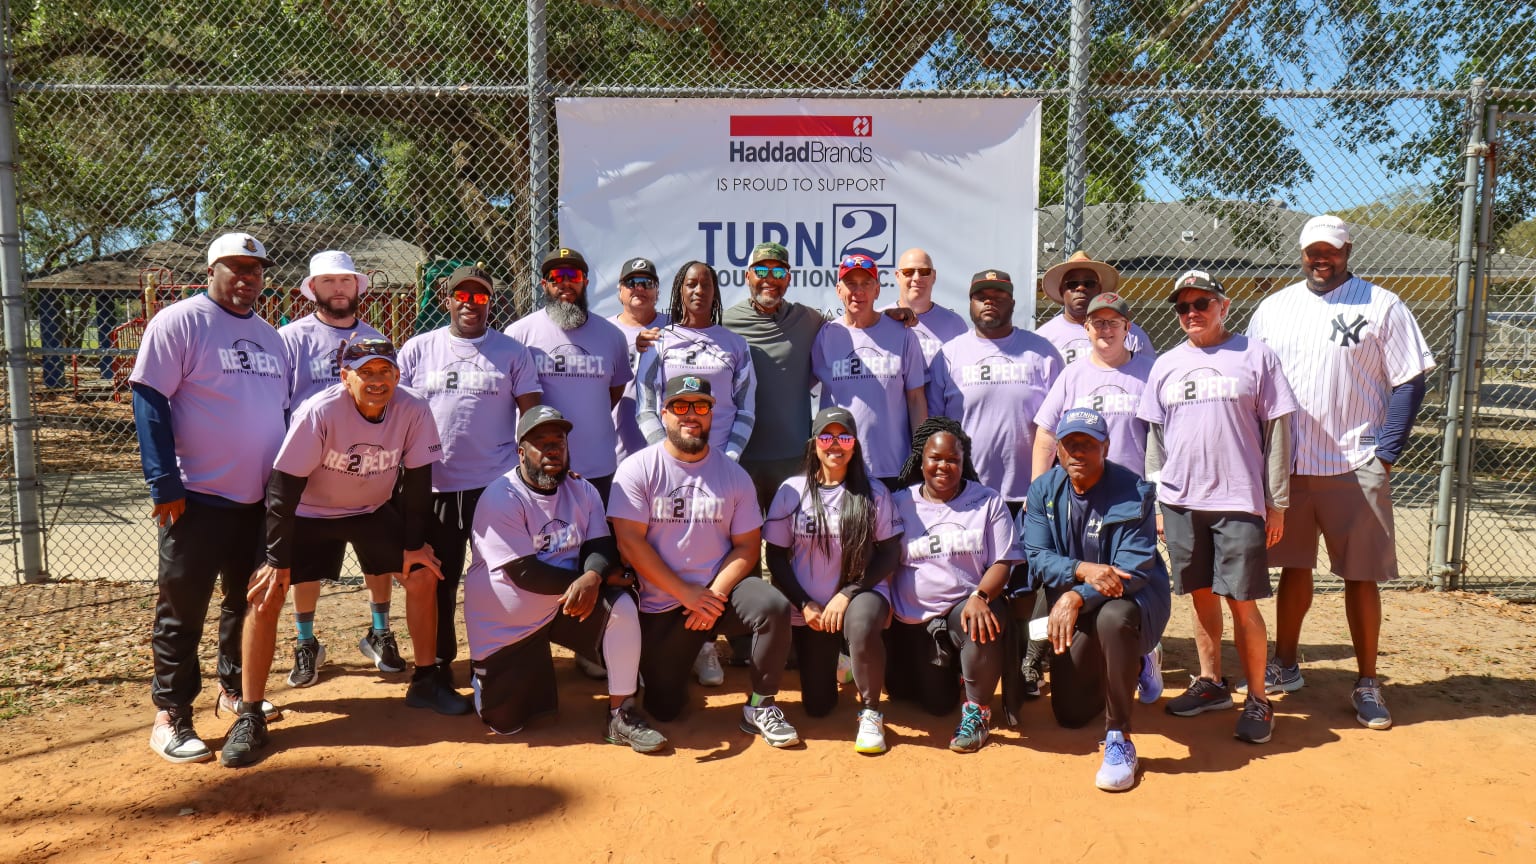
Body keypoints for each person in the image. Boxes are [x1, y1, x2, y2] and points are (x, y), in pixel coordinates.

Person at [221, 337, 468, 767]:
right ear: (345, 377)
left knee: (424, 573)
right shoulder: (320, 411)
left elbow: (417, 483)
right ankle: (250, 713)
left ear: (397, 375)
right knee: (265, 593)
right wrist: (278, 561)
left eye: (385, 372)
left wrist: (413, 546)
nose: (377, 381)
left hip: (369, 510)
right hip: (307, 512)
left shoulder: (413, 409)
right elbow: (282, 490)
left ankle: (426, 681)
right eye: (366, 373)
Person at [1247, 214, 1435, 730]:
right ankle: (1285, 664)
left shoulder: (1381, 304)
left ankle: (1368, 680)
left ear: (1348, 250)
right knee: (1293, 566)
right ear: (1301, 252)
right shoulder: (1274, 308)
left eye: (1330, 250)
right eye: (1312, 250)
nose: (1320, 258)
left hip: (1356, 460)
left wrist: (1387, 452)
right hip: (1290, 465)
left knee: (1361, 573)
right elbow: (1254, 380)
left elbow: (1410, 378)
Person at [131, 232, 289, 764]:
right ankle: (171, 714)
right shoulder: (179, 321)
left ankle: (233, 691)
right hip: (195, 495)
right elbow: (149, 397)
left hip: (257, 499)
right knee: (182, 608)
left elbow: (280, 415)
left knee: (245, 602)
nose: (246, 278)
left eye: (255, 269)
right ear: (212, 270)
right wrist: (163, 482)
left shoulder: (272, 337)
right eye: (235, 268)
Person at [1138, 270, 1298, 744]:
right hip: (1183, 502)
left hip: (1238, 500)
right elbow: (1155, 443)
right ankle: (1211, 684)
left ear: (1223, 306)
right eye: (1183, 306)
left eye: (1201, 303)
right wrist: (1162, 503)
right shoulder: (1166, 364)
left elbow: (1278, 434)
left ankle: (1258, 700)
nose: (1192, 313)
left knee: (1241, 601)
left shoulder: (1255, 355)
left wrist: (1278, 503)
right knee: (1201, 594)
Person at [608, 375, 802, 748]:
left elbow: (748, 546)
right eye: (680, 406)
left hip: (717, 594)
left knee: (773, 606)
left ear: (713, 414)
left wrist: (712, 594)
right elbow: (629, 543)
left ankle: (761, 705)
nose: (691, 415)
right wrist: (686, 593)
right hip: (663, 601)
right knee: (666, 708)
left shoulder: (733, 475)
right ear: (663, 413)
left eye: (701, 407)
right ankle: (678, 660)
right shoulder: (638, 469)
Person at [463, 405, 667, 752]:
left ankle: (622, 713)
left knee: (622, 605)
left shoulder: (582, 490)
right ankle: (485, 676)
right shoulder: (501, 496)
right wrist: (591, 580)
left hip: (565, 607)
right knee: (509, 724)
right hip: (510, 627)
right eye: (541, 442)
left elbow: (600, 542)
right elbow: (523, 573)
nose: (552, 449)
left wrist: (592, 575)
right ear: (521, 451)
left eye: (558, 441)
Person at [398, 265, 542, 687]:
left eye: (479, 297)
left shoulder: (511, 352)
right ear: (446, 300)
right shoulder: (418, 349)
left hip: (493, 485)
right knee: (437, 577)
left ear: (489, 303)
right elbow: (399, 413)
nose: (469, 303)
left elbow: (531, 414)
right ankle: (440, 662)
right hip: (434, 484)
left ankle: (503, 655)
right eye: (461, 295)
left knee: (502, 575)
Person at [1021, 408, 1171, 792]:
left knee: (1113, 620)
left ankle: (1120, 737)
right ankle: (1128, 663)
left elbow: (1133, 571)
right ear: (1058, 449)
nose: (1078, 453)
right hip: (1083, 596)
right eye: (1070, 444)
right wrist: (1083, 573)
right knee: (1070, 713)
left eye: (1088, 444)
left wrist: (1074, 594)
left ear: (1105, 446)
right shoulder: (1043, 490)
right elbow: (1037, 557)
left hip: (1133, 599)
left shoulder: (1133, 489)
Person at [277, 250, 401, 687]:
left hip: (367, 467)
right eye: (328, 282)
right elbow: (281, 403)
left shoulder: (374, 337)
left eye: (345, 281)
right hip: (313, 472)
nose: (338, 289)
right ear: (313, 289)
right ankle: (306, 641)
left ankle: (380, 632)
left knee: (378, 559)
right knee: (307, 565)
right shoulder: (291, 338)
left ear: (356, 288)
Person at [763, 407, 903, 754]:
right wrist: (804, 603)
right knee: (819, 706)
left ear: (855, 445)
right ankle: (847, 662)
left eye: (844, 437)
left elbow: (889, 553)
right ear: (814, 445)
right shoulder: (791, 491)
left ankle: (870, 711)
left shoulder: (874, 493)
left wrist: (848, 593)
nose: (835, 444)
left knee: (860, 620)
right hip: (812, 609)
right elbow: (776, 557)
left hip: (861, 594)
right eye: (826, 436)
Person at [886, 417, 1020, 753]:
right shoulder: (899, 502)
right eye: (936, 458)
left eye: (953, 459)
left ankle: (977, 712)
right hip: (915, 623)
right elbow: (885, 561)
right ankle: (957, 671)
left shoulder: (987, 501)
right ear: (921, 460)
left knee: (983, 616)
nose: (944, 466)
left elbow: (1002, 562)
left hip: (965, 608)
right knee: (934, 704)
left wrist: (980, 595)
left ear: (964, 462)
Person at [926, 269, 1062, 511]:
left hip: (1031, 495)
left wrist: (1043, 485)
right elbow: (934, 427)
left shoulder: (1043, 353)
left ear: (1012, 303)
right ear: (970, 304)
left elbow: (1060, 424)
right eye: (981, 297)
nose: (989, 301)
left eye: (999, 296)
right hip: (964, 492)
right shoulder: (948, 355)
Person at [506, 247, 633, 502]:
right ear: (544, 284)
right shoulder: (519, 334)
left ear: (585, 282)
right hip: (540, 466)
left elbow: (613, 391)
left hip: (598, 465)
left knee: (597, 540)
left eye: (573, 276)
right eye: (556, 276)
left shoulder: (612, 336)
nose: (565, 283)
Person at [812, 254, 928, 489]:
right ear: (838, 290)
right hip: (840, 464)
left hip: (895, 467)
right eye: (851, 284)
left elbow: (916, 399)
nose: (858, 291)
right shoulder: (826, 335)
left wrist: (920, 454)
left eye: (866, 284)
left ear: (877, 290)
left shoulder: (903, 334)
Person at [635, 261, 756, 460]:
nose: (699, 290)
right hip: (671, 461)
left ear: (715, 292)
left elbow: (746, 410)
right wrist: (667, 456)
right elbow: (645, 410)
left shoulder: (737, 345)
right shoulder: (658, 342)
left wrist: (730, 458)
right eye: (691, 284)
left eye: (706, 285)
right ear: (680, 291)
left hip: (720, 460)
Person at [1033, 292, 1156, 482]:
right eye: (1098, 322)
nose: (1106, 329)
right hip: (1081, 491)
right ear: (1087, 328)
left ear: (1127, 328)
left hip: (1134, 489)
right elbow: (1046, 434)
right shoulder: (1072, 374)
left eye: (1114, 322)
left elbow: (1163, 439)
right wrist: (1036, 491)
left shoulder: (1151, 372)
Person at [1037, 251, 1153, 364]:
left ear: (1099, 289)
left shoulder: (1130, 334)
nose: (1081, 288)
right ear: (1061, 291)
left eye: (1089, 283)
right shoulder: (1043, 338)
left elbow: (1148, 377)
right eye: (1072, 284)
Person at [610, 256, 669, 464]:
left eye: (647, 283)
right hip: (618, 445)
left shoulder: (676, 329)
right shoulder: (604, 332)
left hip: (668, 440)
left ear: (657, 292)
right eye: (631, 283)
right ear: (620, 291)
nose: (639, 289)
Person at [886, 248, 968, 366]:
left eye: (924, 271)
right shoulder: (880, 319)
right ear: (898, 276)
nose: (917, 278)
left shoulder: (955, 324)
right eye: (908, 272)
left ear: (933, 276)